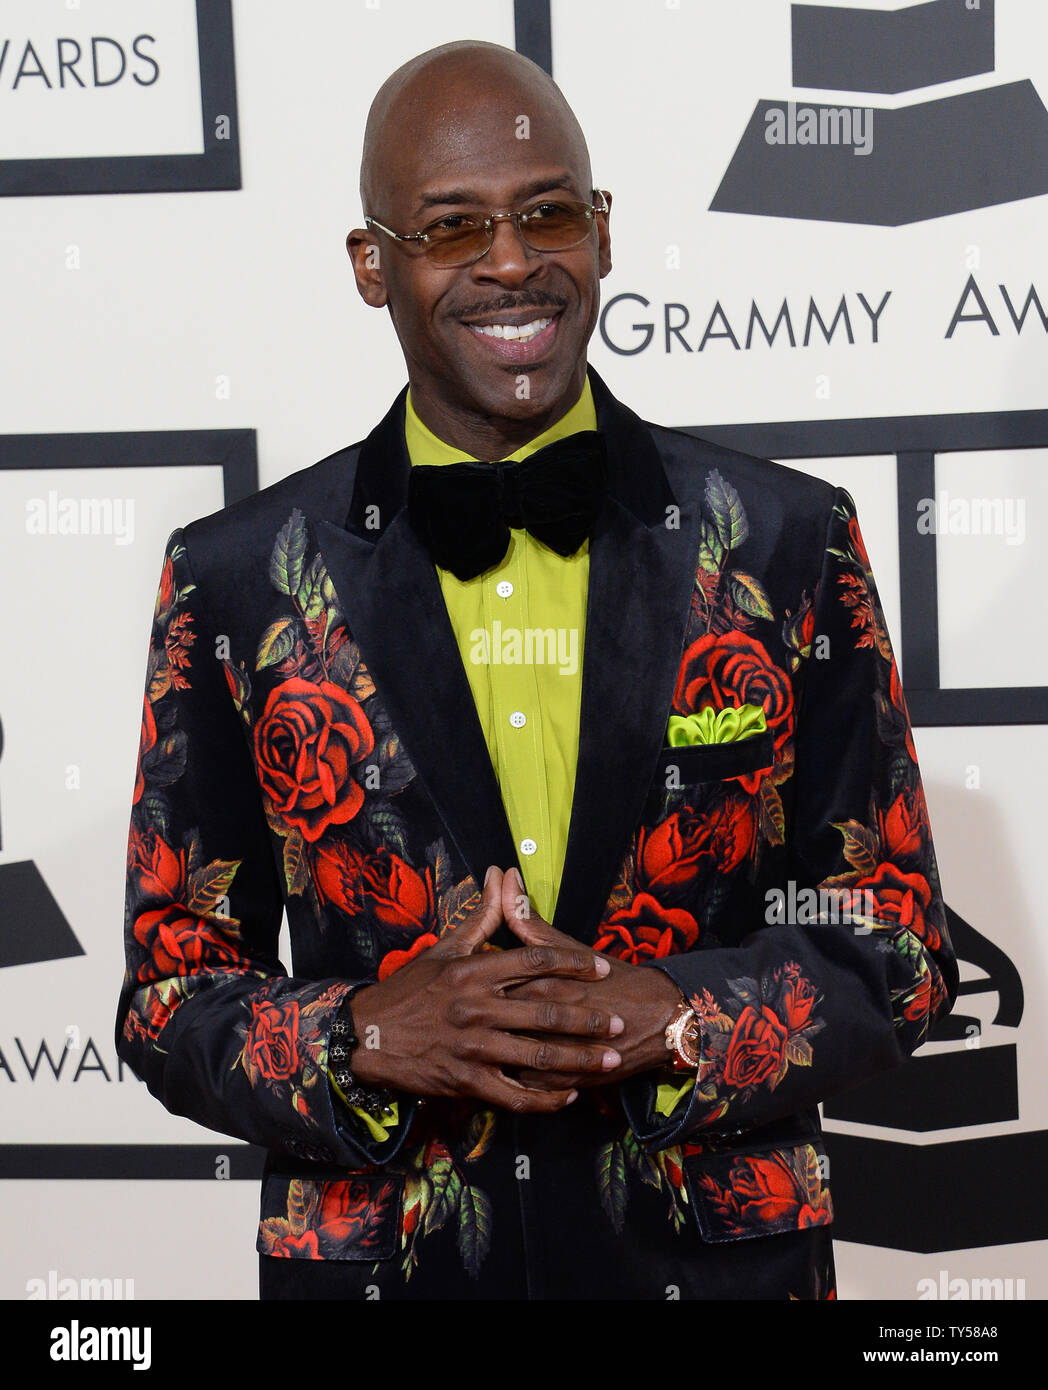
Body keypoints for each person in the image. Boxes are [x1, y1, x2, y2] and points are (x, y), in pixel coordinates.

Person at [116, 39, 957, 1300]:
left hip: (717, 1271)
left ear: (605, 234)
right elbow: (169, 984)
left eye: (547, 212)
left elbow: (893, 938)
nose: (512, 261)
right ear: (371, 265)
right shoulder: (237, 576)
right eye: (452, 228)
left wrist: (671, 1013)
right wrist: (358, 1034)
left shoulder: (786, 538)